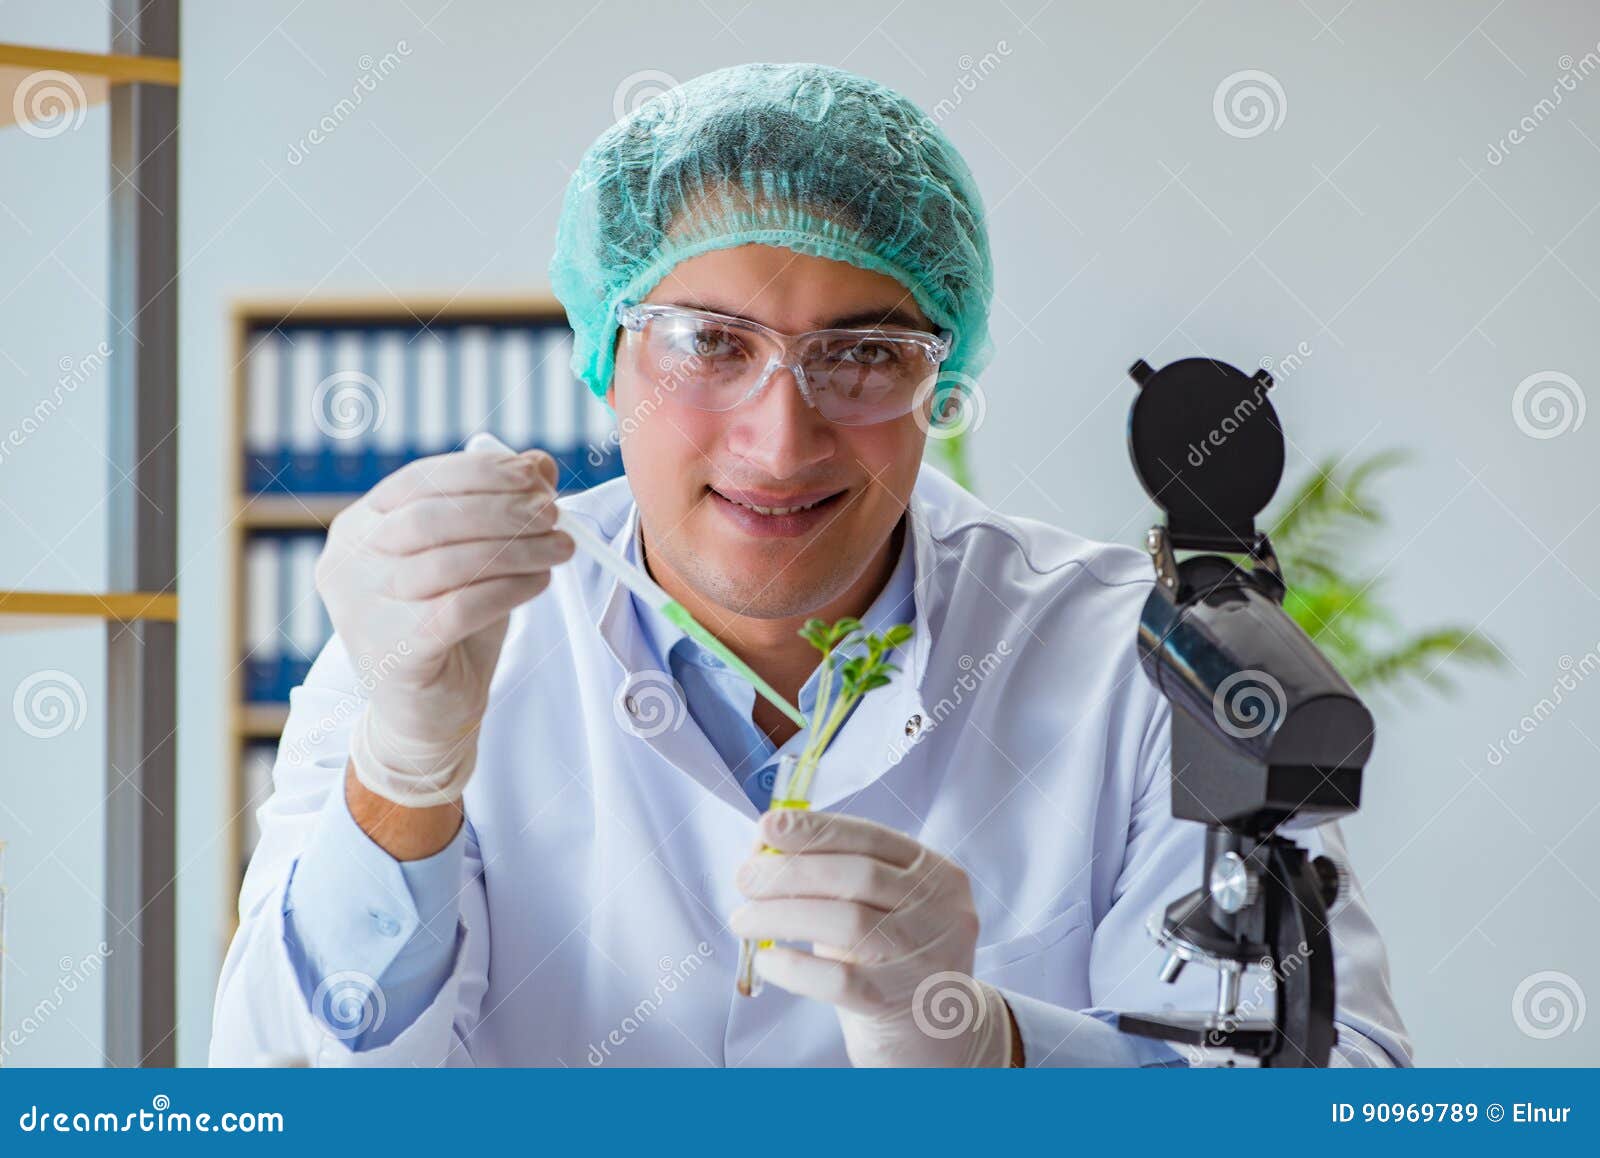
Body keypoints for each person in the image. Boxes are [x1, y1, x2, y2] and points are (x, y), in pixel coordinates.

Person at [210, 61, 1411, 1067]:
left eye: (864, 353)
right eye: (708, 342)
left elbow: (1335, 1095)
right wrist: (406, 783)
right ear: (602, 359)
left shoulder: (1130, 656)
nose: (779, 440)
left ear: (937, 378)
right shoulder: (439, 632)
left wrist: (991, 1050)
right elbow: (285, 1083)